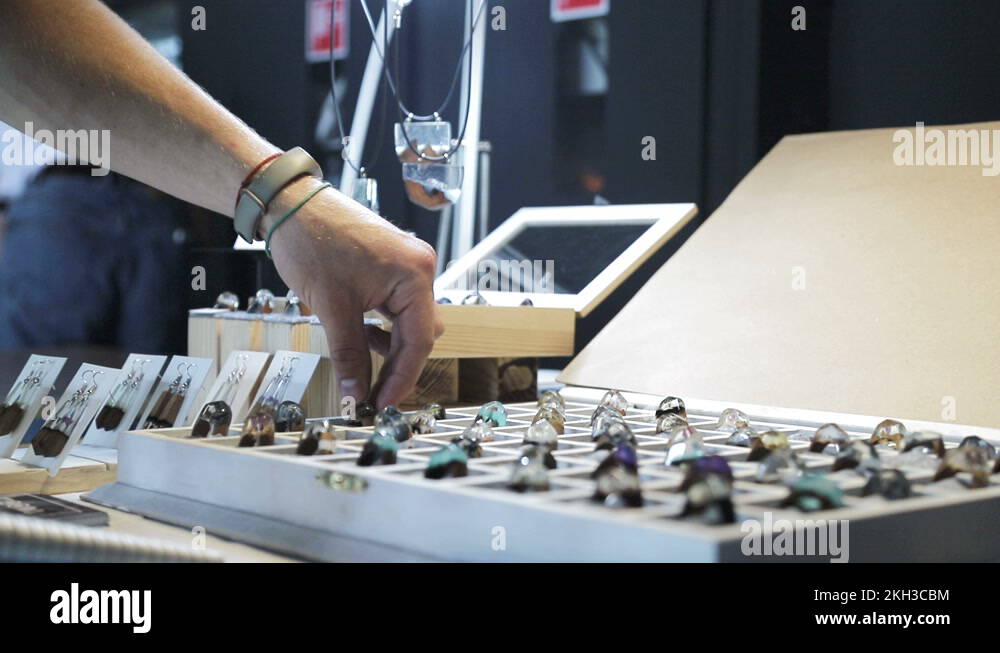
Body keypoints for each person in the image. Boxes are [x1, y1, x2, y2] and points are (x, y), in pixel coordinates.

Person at [0, 0, 443, 409]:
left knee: (129, 382)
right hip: (98, 197)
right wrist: (281, 202)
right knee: (63, 379)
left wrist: (277, 203)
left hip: (130, 198)